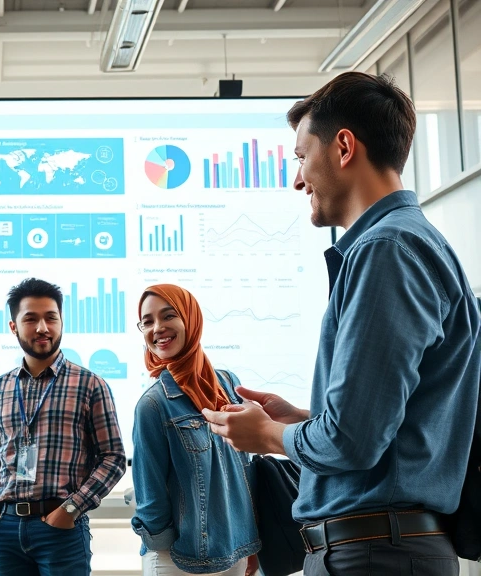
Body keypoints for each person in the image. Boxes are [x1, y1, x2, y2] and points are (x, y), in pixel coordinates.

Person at [202, 71, 481, 575]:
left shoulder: (386, 250)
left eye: (301, 156)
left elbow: (352, 440)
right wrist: (299, 420)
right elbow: (387, 427)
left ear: (344, 147)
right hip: (385, 549)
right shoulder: (413, 243)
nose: (296, 179)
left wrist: (268, 436)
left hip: (373, 553)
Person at [0, 277, 127, 576]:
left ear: (61, 322)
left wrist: (71, 509)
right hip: (6, 526)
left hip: (61, 528)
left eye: (50, 318)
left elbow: (114, 458)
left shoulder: (89, 385)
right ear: (13, 326)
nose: (43, 327)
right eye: (31, 319)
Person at [132, 284, 259, 576]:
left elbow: (245, 472)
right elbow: (150, 499)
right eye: (147, 322)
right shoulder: (152, 405)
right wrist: (171, 552)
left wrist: (251, 543)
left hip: (236, 550)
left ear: (191, 318)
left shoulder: (228, 384)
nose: (158, 328)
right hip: (179, 558)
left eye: (168, 315)